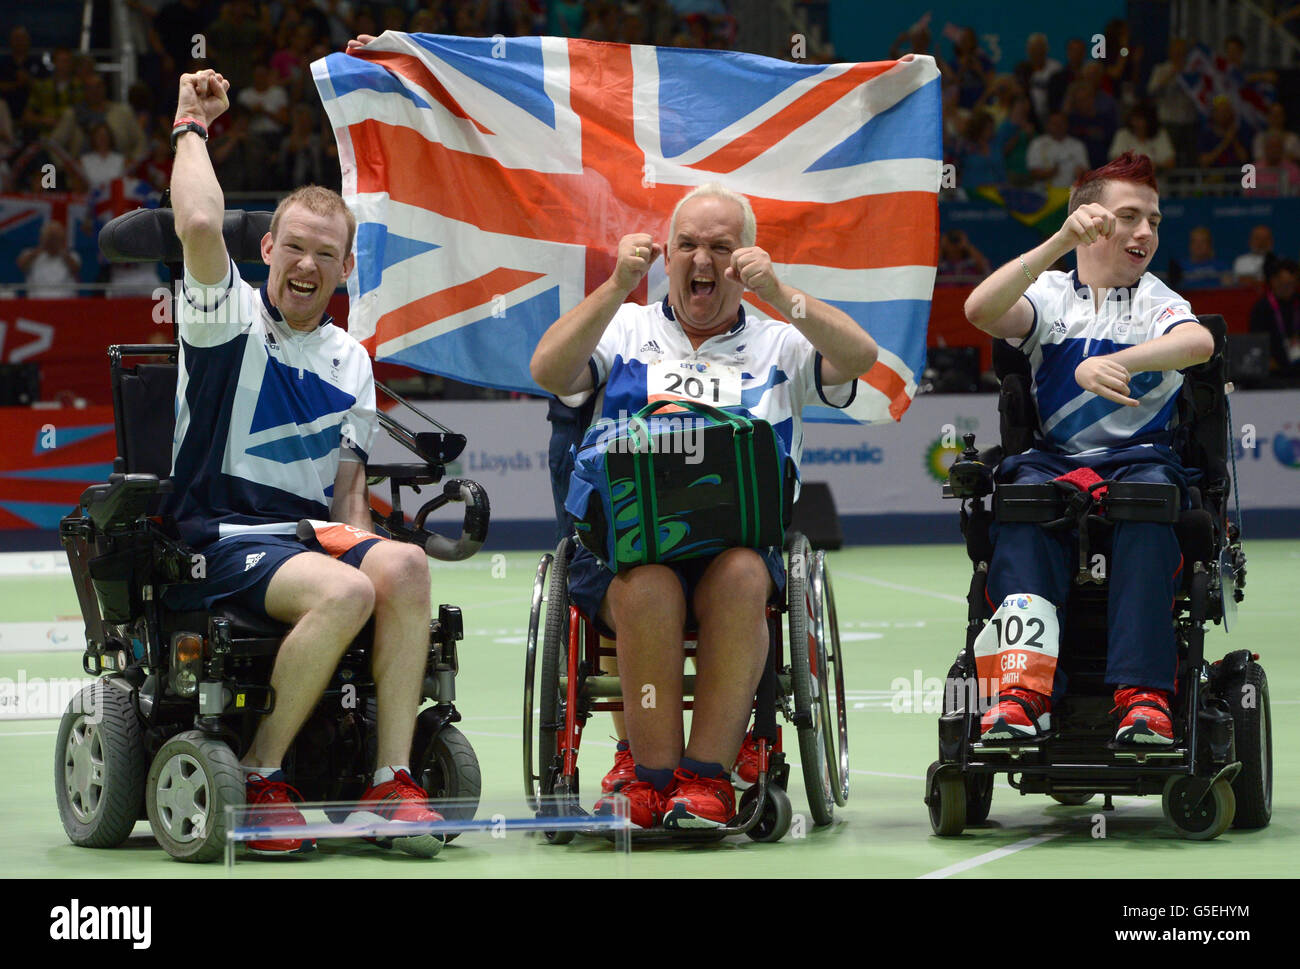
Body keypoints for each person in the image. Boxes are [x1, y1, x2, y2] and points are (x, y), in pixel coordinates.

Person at [529, 182, 878, 828]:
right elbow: (549, 371)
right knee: (650, 585)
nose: (703, 259)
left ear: (746, 258)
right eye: (687, 244)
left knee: (746, 575)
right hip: (631, 548)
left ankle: (706, 779)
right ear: (664, 254)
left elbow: (861, 356)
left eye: (721, 246)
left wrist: (781, 294)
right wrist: (612, 287)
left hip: (734, 548)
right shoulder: (628, 327)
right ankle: (649, 775)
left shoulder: (779, 345)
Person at [163, 68, 445, 857]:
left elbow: (348, 494)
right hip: (218, 533)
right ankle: (261, 773)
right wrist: (191, 124)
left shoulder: (351, 358)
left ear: (346, 269)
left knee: (407, 566)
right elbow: (195, 223)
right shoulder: (228, 318)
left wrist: (377, 555)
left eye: (327, 254)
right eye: (294, 247)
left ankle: (390, 777)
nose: (308, 265)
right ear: (267, 250)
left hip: (304, 535)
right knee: (347, 585)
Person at [963, 151, 1215, 745]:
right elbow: (980, 309)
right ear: (1091, 221)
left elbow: (1199, 343)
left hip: (1140, 466)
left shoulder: (1156, 300)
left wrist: (1114, 362)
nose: (1146, 232)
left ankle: (1145, 696)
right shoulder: (1049, 295)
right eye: (1130, 216)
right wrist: (1056, 241)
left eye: (1154, 219)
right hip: (1053, 467)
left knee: (1148, 498)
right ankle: (1022, 694)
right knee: (1021, 500)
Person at [1249, 259, 1300, 379]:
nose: (1288, 288)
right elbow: (1256, 340)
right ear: (1273, 282)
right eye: (1284, 284)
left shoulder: (1298, 303)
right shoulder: (1262, 308)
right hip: (1273, 370)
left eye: (1292, 284)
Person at [1027, 111, 1089, 191]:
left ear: (1067, 124)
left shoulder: (1077, 145)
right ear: (1047, 125)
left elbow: (1085, 172)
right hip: (1044, 195)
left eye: (1061, 123)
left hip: (1071, 194)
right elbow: (1033, 173)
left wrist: (1080, 174)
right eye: (1054, 123)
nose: (1058, 126)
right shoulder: (1037, 144)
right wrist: (1050, 173)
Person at [18, 220, 81, 298]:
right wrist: (43, 246)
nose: (52, 240)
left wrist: (59, 249)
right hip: (37, 303)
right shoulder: (29, 253)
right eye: (50, 237)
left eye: (55, 237)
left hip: (65, 303)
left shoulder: (73, 256)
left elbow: (76, 268)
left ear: (62, 239)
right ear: (42, 237)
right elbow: (21, 265)